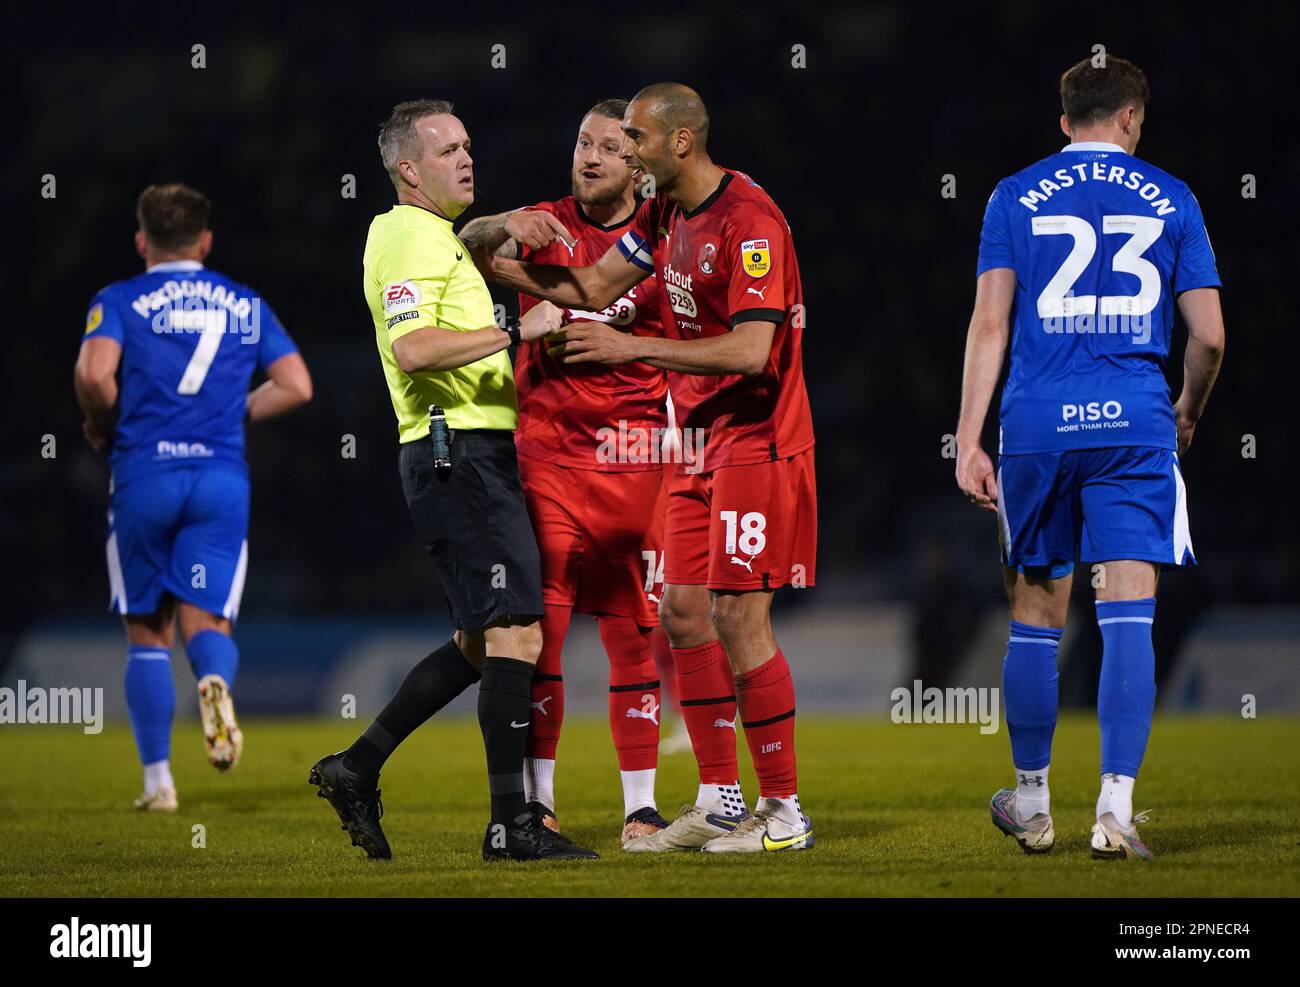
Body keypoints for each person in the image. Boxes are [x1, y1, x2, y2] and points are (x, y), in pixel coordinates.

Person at [476, 83, 817, 854]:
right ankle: (721, 799)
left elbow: (752, 350)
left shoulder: (749, 222)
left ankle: (786, 811)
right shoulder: (666, 215)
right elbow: (595, 287)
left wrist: (632, 348)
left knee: (739, 617)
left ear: (679, 145)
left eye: (634, 139)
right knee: (684, 614)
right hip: (695, 442)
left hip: (756, 438)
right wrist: (510, 273)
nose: (623, 151)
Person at [308, 99, 596, 862]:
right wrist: (516, 329)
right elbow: (413, 349)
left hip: (468, 455)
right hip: (456, 454)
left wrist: (509, 226)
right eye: (448, 150)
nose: (467, 157)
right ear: (409, 170)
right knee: (516, 632)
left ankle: (355, 765)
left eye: (469, 144)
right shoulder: (401, 233)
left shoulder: (432, 234)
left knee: (477, 641)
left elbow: (466, 244)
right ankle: (512, 824)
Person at [955, 55, 1225, 859]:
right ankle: (1115, 808)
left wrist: (969, 436)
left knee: (1038, 615)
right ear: (1133, 117)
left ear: (1064, 117)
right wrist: (1187, 410)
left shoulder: (1013, 194)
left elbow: (990, 324)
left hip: (1038, 425)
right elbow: (1209, 334)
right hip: (1135, 425)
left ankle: (1033, 804)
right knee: (1128, 612)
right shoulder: (1174, 197)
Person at [460, 98, 673, 847]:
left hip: (635, 458)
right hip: (546, 454)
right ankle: (539, 802)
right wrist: (503, 224)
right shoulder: (543, 220)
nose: (588, 155)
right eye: (582, 140)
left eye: (609, 148)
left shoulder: (662, 238)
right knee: (539, 633)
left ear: (638, 165)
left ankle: (641, 808)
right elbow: (466, 240)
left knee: (634, 632)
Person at [75, 183, 313, 811]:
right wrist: (231, 414)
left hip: (145, 474)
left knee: (148, 631)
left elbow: (94, 375)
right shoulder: (243, 302)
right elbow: (296, 384)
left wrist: (104, 424)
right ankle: (212, 680)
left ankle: (158, 784)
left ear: (140, 239)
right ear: (205, 241)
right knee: (205, 620)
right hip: (218, 480)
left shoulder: (119, 298)